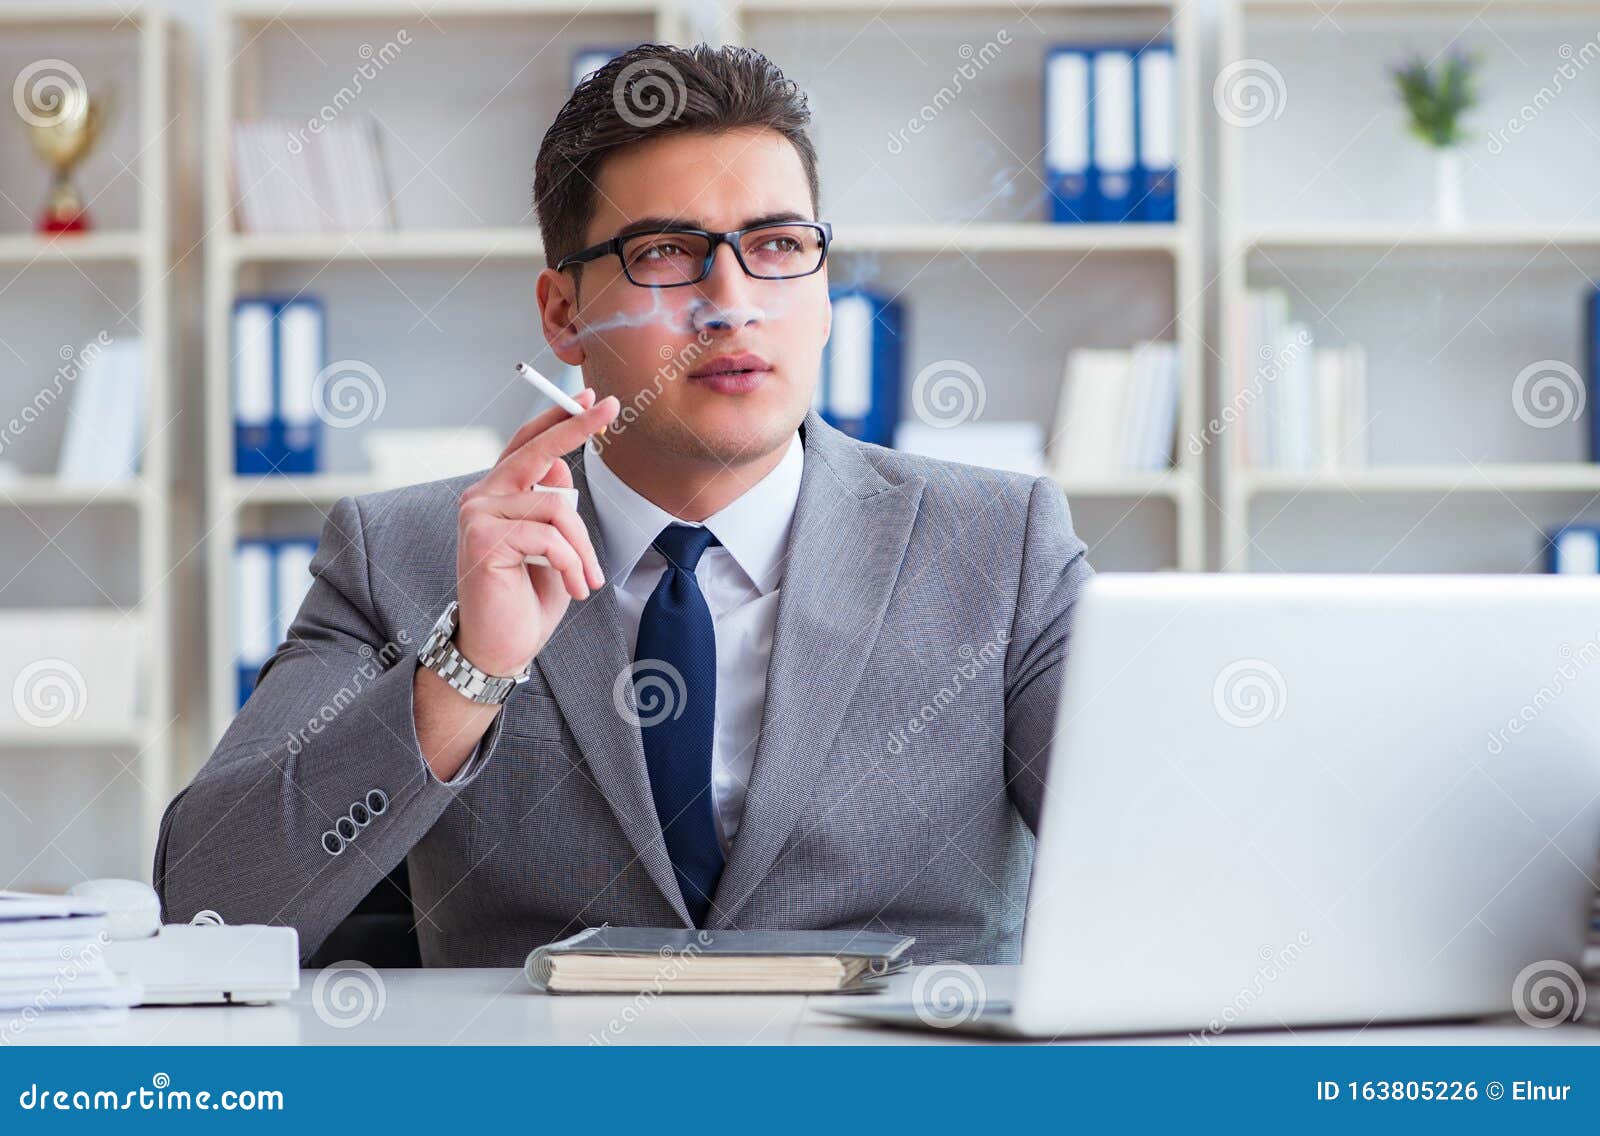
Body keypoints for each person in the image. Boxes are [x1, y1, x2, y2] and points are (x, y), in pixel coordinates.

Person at [155, 43, 1092, 966]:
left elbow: (1174, 873)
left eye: (776, 246)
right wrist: (468, 669)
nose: (732, 304)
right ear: (563, 315)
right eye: (667, 254)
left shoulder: (1000, 549)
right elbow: (208, 904)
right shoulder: (397, 554)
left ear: (825, 289)